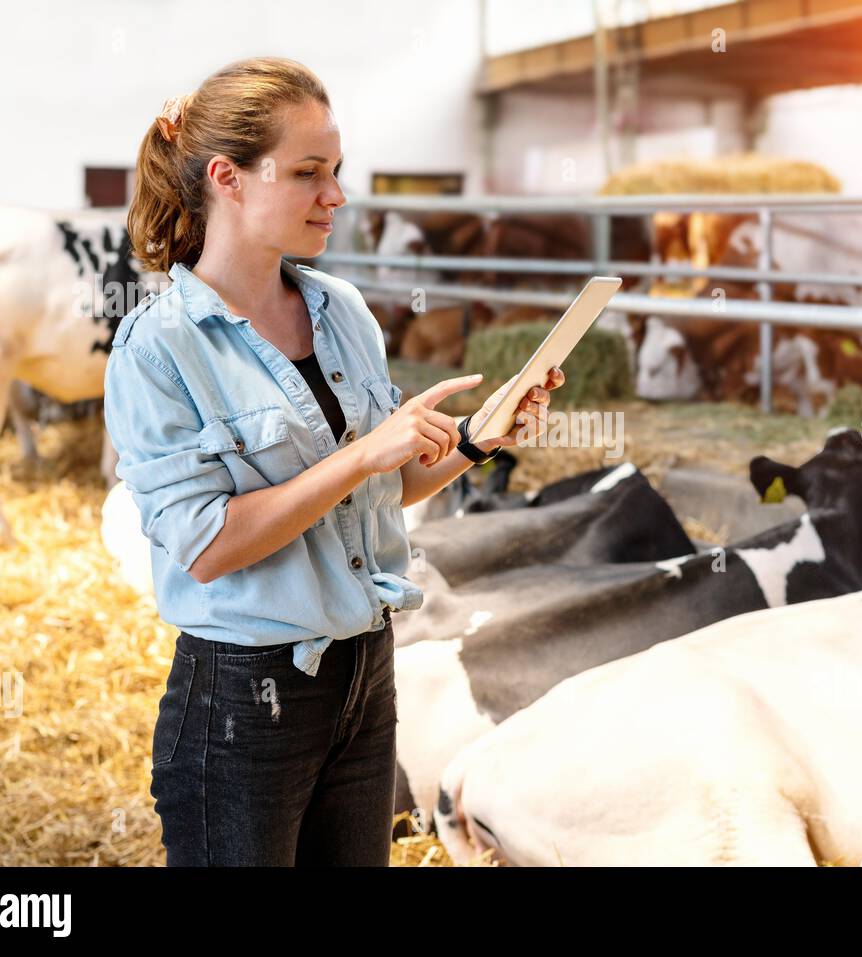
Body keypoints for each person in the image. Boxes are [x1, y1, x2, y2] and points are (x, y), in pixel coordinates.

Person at [103, 56, 563, 866]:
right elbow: (208, 547)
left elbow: (388, 482)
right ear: (229, 178)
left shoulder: (341, 310)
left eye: (337, 170)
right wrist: (359, 460)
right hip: (246, 698)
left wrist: (479, 436)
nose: (337, 196)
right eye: (310, 173)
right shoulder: (159, 347)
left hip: (364, 671)